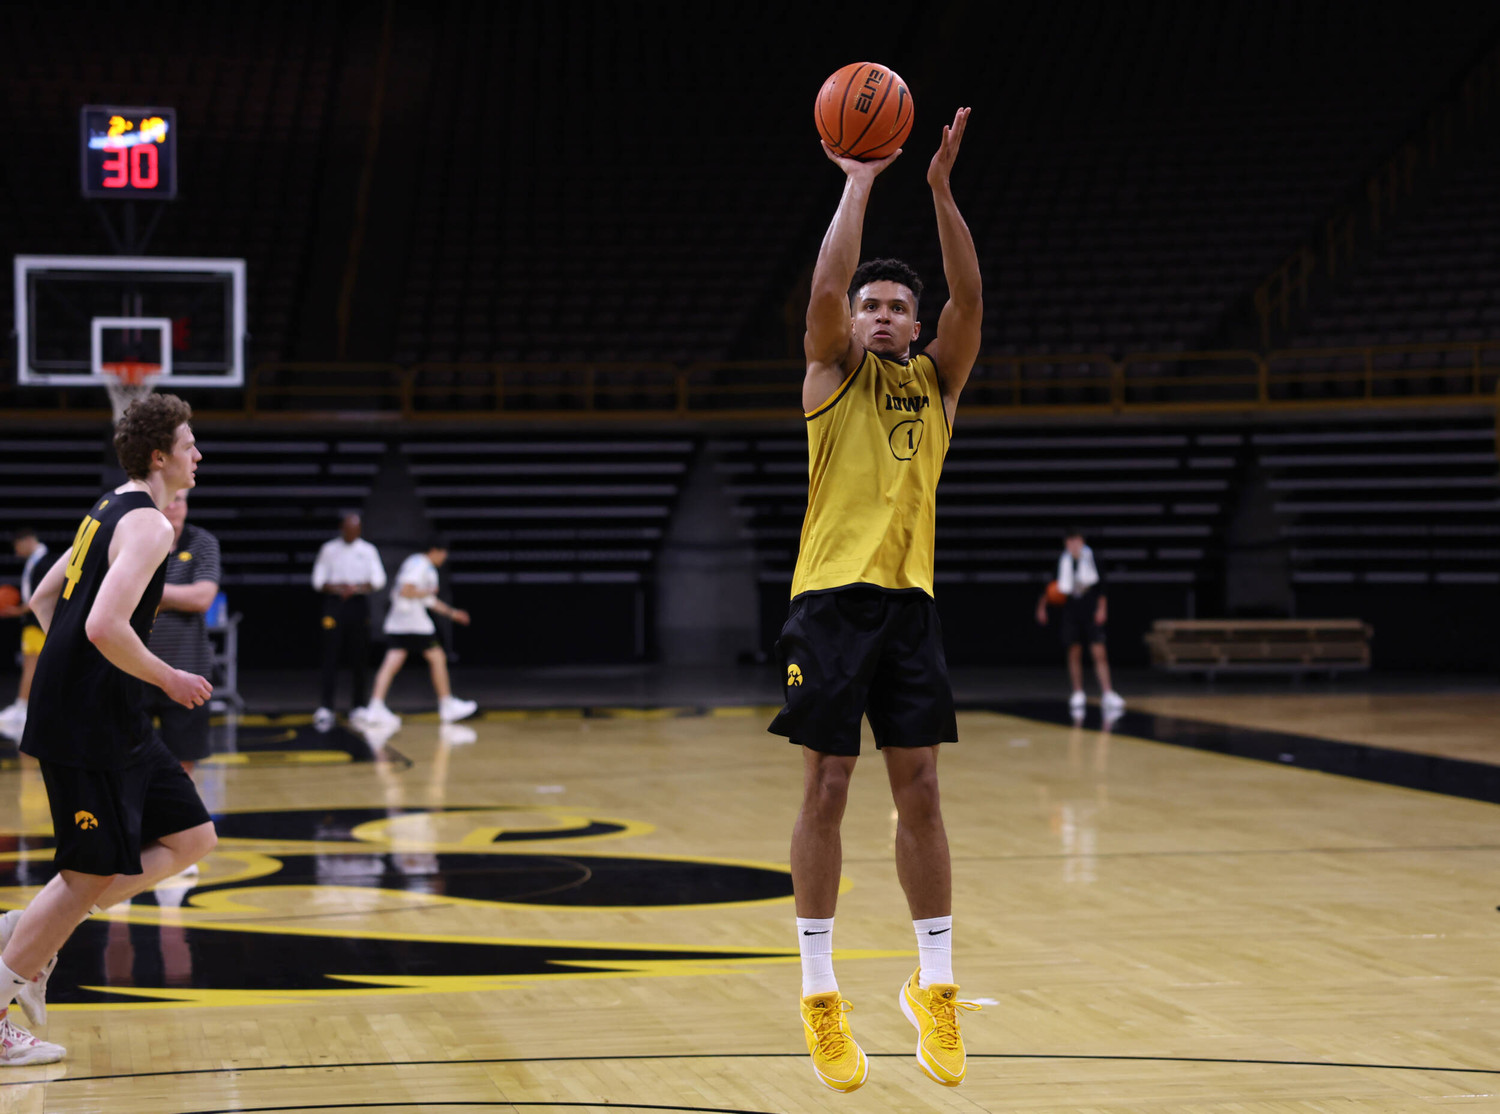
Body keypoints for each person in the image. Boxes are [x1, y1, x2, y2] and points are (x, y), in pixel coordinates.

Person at [768, 108, 982, 1092]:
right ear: (853, 324)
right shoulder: (830, 374)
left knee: (922, 791)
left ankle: (934, 983)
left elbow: (970, 299)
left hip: (909, 605)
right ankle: (819, 991)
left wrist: (938, 189)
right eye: (873, 306)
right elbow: (822, 291)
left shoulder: (937, 384)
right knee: (827, 787)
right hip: (829, 601)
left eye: (899, 305)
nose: (885, 315)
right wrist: (857, 180)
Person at [0, 394, 217, 1066]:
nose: (198, 454)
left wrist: (83, 670)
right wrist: (167, 677)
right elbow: (100, 625)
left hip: (113, 715)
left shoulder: (106, 507)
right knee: (88, 872)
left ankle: (28, 931)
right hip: (86, 723)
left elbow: (44, 599)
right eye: (188, 444)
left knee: (192, 838)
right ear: (159, 456)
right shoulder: (149, 525)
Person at [355, 536, 477, 730]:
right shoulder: (421, 565)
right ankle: (446, 704)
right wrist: (428, 591)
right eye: (443, 554)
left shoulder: (417, 563)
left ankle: (375, 706)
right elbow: (406, 590)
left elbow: (428, 600)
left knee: (393, 660)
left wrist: (452, 613)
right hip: (413, 622)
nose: (444, 558)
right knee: (437, 657)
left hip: (400, 621)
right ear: (435, 550)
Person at [145, 490, 223, 773]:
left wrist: (150, 594)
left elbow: (202, 598)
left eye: (180, 500)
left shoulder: (203, 542)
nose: (174, 506)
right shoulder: (137, 542)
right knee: (128, 758)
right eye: (168, 500)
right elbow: (118, 597)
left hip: (189, 669)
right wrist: (177, 597)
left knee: (183, 762)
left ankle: (179, 805)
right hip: (136, 667)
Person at [1035, 528, 1125, 718]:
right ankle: (1077, 692)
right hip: (1071, 608)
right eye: (1070, 541)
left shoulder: (1092, 558)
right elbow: (1051, 586)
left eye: (1076, 540)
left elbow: (1102, 587)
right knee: (1074, 650)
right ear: (1066, 543)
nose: (1074, 545)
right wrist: (1042, 607)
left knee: (1098, 651)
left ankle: (1107, 692)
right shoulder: (1062, 561)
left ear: (1082, 541)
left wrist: (1102, 609)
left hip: (1090, 606)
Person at [310, 513, 385, 732]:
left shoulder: (368, 550)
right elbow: (317, 581)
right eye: (348, 530)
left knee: (360, 655)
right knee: (330, 655)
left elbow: (379, 580)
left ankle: (359, 706)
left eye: (355, 530)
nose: (351, 534)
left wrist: (357, 588)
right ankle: (326, 707)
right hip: (335, 604)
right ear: (342, 528)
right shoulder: (329, 549)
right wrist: (339, 588)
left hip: (358, 604)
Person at [0, 529, 58, 740]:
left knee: (34, 666)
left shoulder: (45, 562)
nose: (16, 552)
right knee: (32, 666)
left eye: (16, 546)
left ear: (26, 540)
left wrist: (18, 610)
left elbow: (45, 595)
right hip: (34, 622)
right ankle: (23, 705)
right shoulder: (36, 561)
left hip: (39, 622)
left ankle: (25, 708)